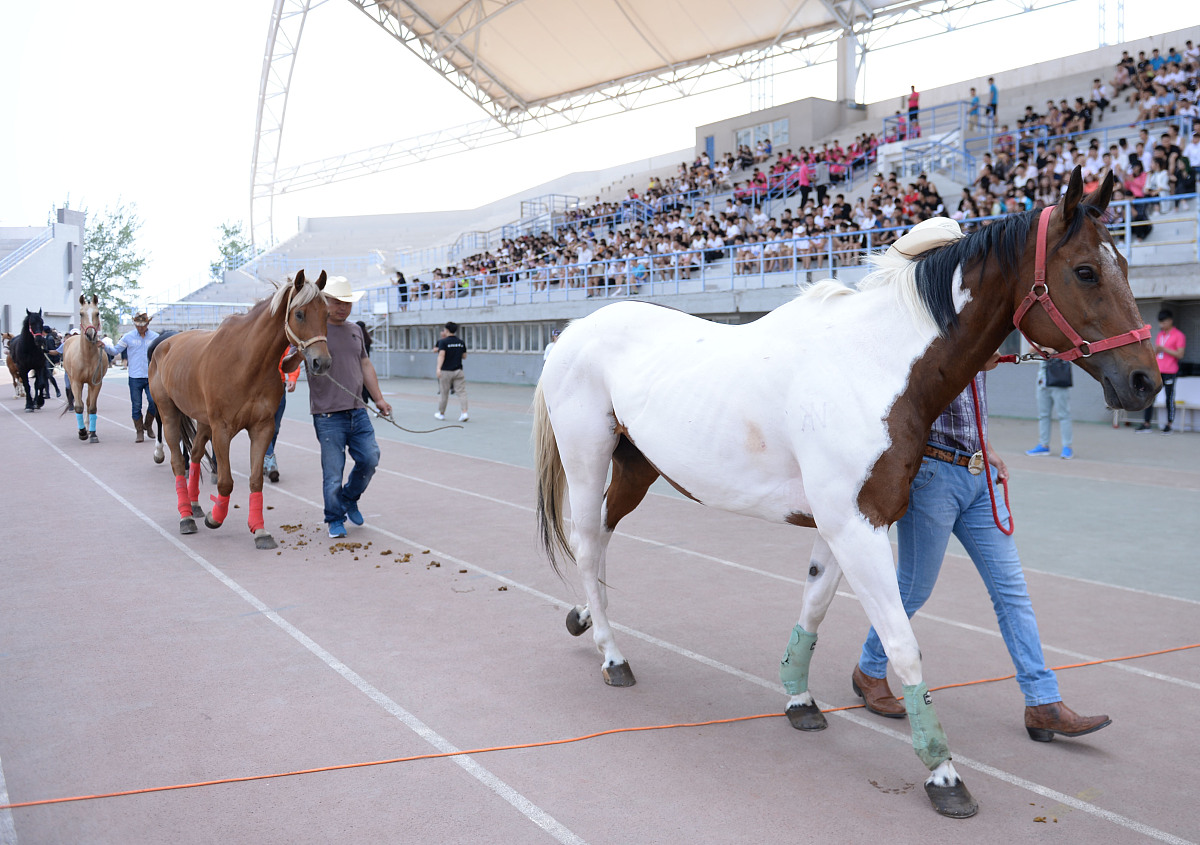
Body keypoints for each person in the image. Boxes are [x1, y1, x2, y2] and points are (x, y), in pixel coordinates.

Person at [853, 364, 1111, 742]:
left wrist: (984, 446)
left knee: (1012, 591)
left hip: (978, 475)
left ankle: (1043, 703)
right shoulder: (928, 333)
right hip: (934, 474)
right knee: (914, 588)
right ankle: (869, 670)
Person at [307, 276, 393, 539]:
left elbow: (365, 364)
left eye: (347, 302)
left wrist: (378, 398)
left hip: (358, 410)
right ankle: (334, 518)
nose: (342, 307)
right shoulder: (315, 331)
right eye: (336, 302)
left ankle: (348, 498)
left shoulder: (355, 330)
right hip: (328, 415)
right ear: (325, 302)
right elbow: (292, 358)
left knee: (370, 458)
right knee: (333, 473)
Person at [106, 312, 160, 442]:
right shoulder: (128, 337)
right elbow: (115, 351)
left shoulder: (155, 337)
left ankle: (148, 424)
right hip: (135, 376)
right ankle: (139, 431)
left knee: (154, 402)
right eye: (138, 325)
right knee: (136, 405)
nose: (140, 327)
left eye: (143, 325)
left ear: (147, 324)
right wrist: (104, 347)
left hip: (151, 376)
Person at [1136, 308, 1187, 434]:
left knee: (1169, 398)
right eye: (1160, 322)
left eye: (1164, 322)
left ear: (1170, 321)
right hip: (1157, 371)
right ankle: (1146, 424)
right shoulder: (1160, 335)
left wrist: (1164, 349)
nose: (1161, 325)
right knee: (1150, 396)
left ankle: (1169, 425)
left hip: (1170, 371)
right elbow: (1157, 353)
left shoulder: (1179, 335)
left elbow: (1180, 354)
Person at [1025, 357, 1073, 459]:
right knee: (1043, 415)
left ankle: (1067, 446)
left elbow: (1051, 350)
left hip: (1058, 378)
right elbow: (1031, 350)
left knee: (1064, 415)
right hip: (1042, 380)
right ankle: (1043, 445)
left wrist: (1047, 348)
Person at [264, 347, 299, 484]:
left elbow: (292, 359)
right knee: (265, 427)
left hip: (280, 389)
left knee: (275, 428)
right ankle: (270, 462)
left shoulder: (282, 342)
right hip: (262, 390)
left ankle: (263, 459)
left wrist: (292, 377)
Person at [434, 321, 468, 422]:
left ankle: (441, 413)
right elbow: (464, 356)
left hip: (446, 371)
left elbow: (441, 355)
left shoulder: (443, 342)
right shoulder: (461, 342)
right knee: (461, 392)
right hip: (458, 370)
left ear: (447, 330)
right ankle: (464, 413)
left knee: (444, 393)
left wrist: (438, 368)